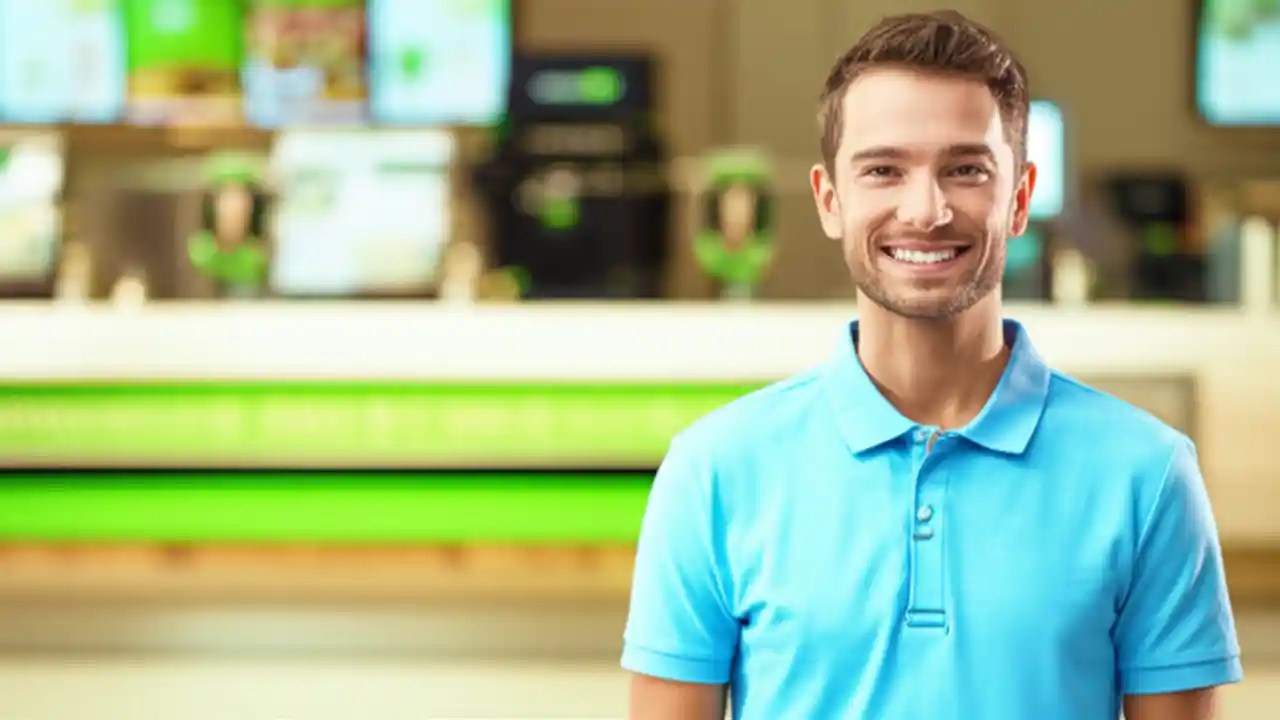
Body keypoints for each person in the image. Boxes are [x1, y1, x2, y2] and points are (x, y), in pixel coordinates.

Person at [622, 10, 1242, 720]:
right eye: (883, 170)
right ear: (830, 200)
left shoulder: (1148, 474)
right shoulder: (714, 471)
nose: (926, 210)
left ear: (1019, 198)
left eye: (965, 169)